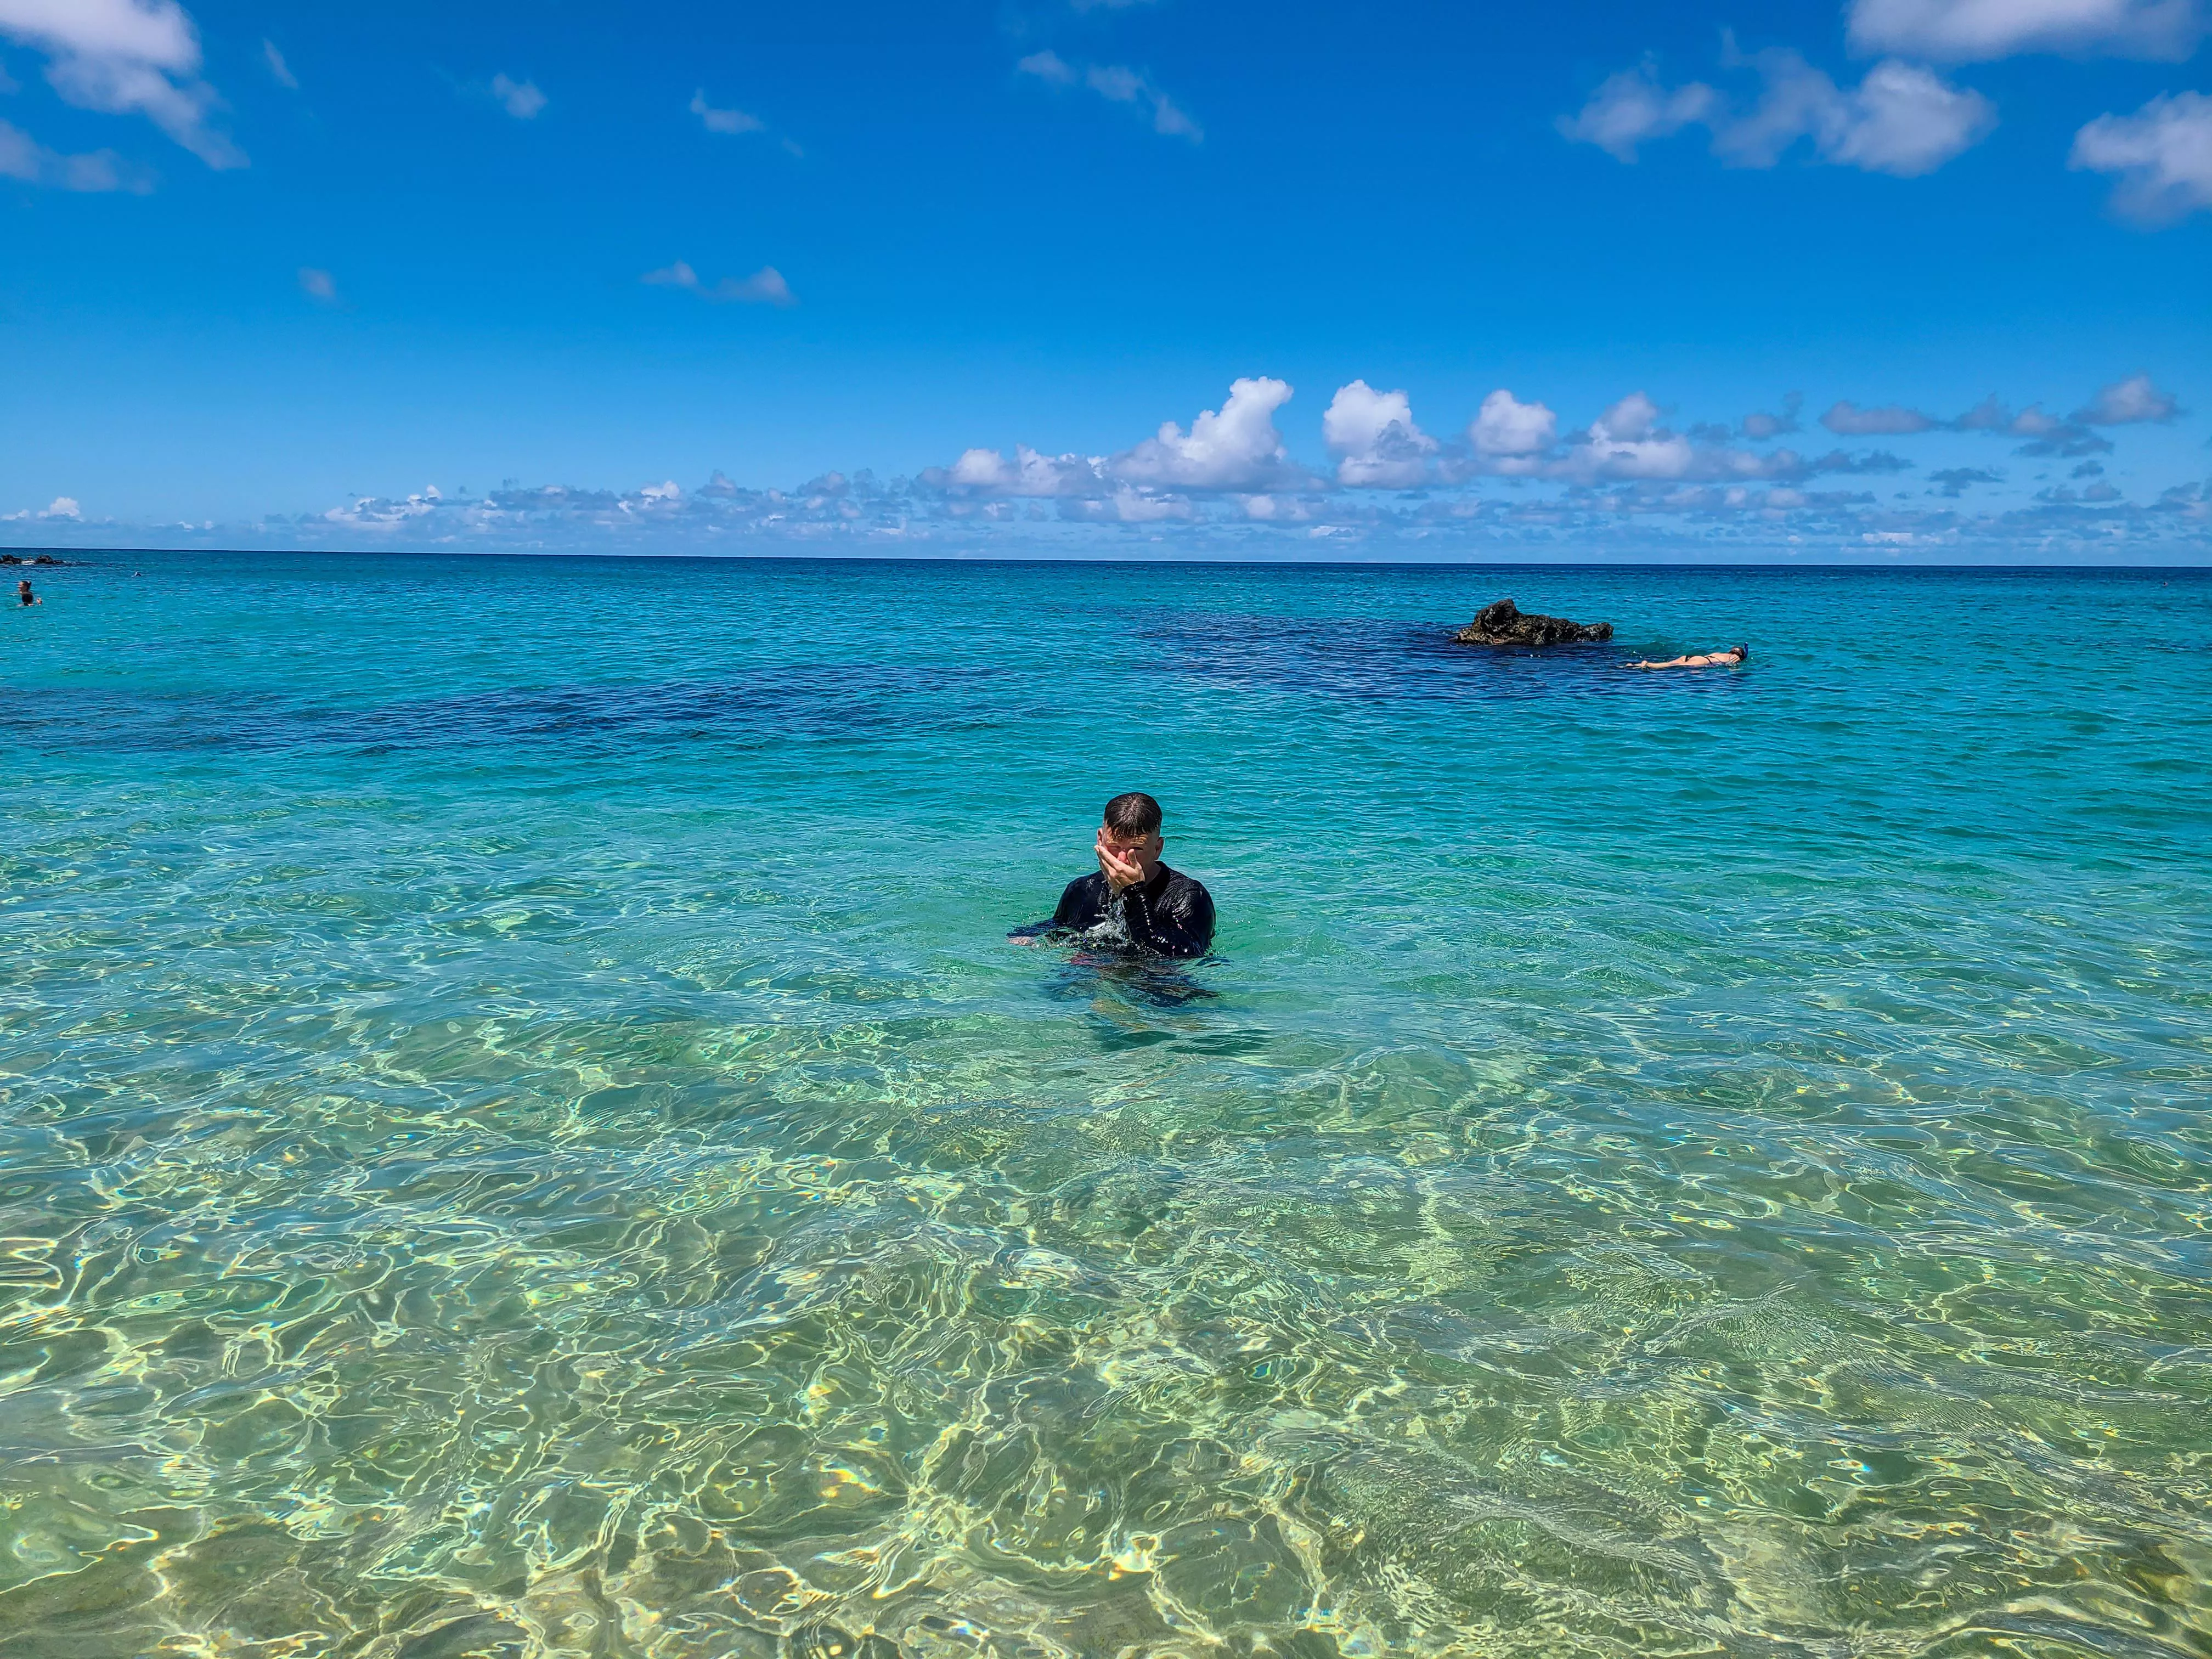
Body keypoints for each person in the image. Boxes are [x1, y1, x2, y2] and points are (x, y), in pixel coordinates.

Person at [1030, 792, 1216, 958]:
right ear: (1100, 840)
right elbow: (1060, 928)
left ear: (1157, 848)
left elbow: (1182, 954)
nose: (1123, 859)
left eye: (1136, 849)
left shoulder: (1188, 896)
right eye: (1114, 847)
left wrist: (1134, 892)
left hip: (1156, 984)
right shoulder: (1082, 890)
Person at [1630, 643, 1746, 669]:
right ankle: (1650, 665)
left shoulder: (1719, 654)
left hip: (1695, 657)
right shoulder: (1734, 658)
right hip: (1704, 661)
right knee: (1669, 666)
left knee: (1671, 663)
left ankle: (1633, 666)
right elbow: (1731, 667)